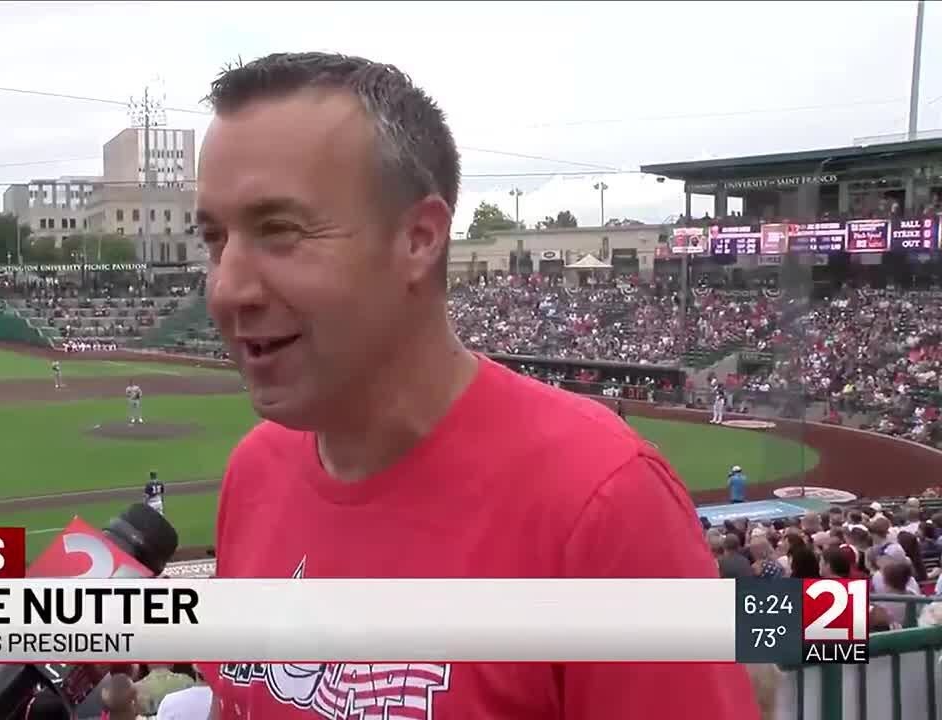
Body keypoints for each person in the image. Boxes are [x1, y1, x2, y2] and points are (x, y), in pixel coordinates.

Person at [194, 51, 757, 719]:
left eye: (280, 232)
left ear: (419, 238)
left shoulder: (603, 505)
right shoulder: (253, 475)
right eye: (214, 239)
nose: (227, 288)